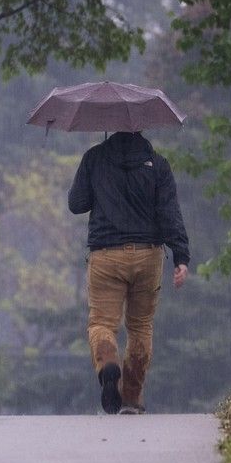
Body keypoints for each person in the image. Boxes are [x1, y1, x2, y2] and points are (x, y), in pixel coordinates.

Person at [68, 130, 190, 414]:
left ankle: (108, 361)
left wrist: (98, 180)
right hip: (148, 256)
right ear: (140, 127)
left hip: (105, 255)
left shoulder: (94, 158)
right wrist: (181, 257)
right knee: (141, 326)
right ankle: (131, 396)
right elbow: (169, 213)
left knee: (101, 324)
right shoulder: (158, 164)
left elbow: (76, 204)